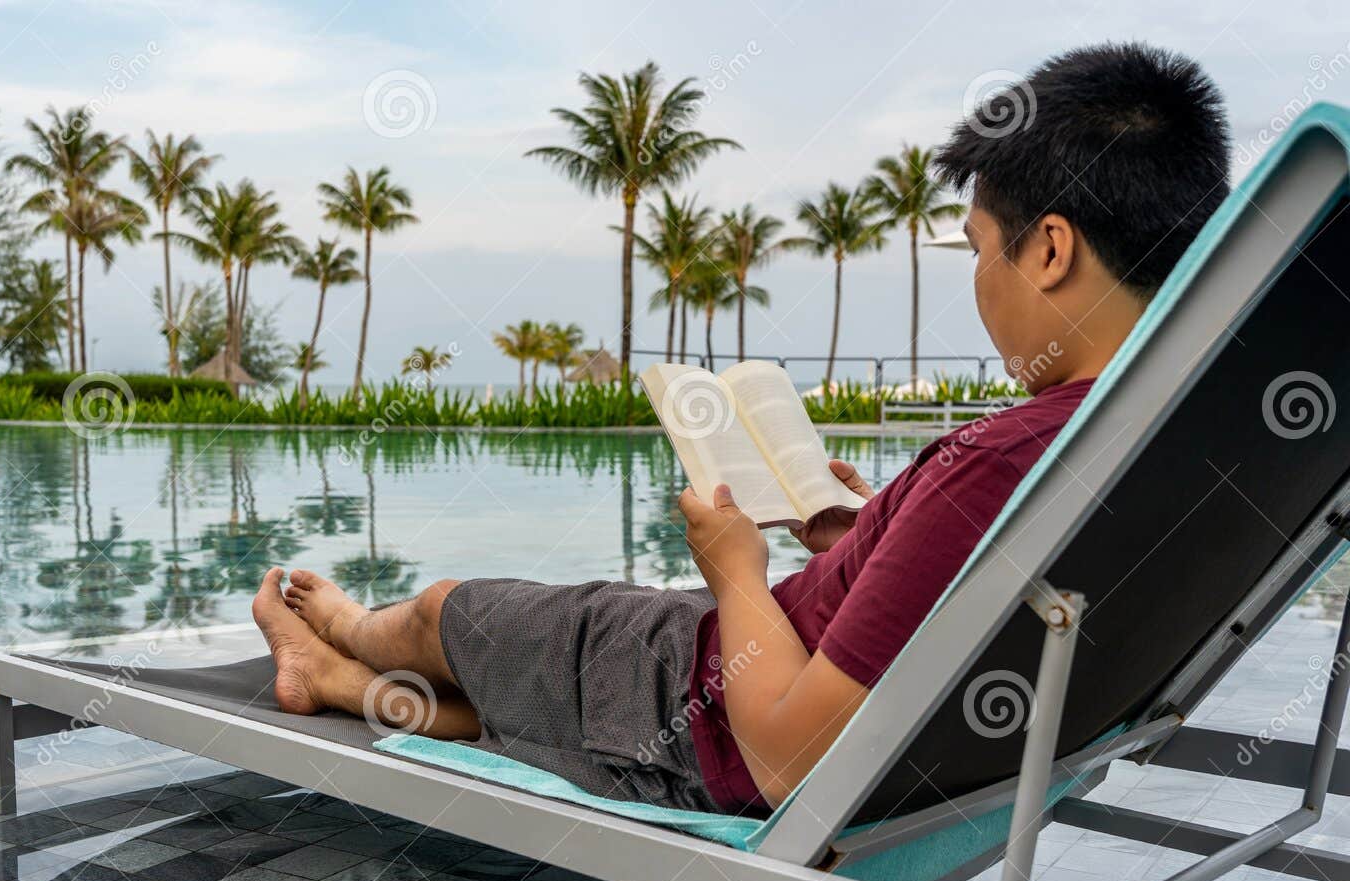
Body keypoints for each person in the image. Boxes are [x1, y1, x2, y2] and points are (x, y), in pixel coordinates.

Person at [251, 42, 1232, 818]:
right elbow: (967, 597)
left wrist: (734, 570)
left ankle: (336, 628)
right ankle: (334, 679)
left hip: (708, 712)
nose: (976, 281)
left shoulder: (999, 458)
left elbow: (788, 755)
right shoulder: (1176, 441)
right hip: (825, 717)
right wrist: (866, 541)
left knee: (443, 611)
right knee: (520, 693)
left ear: (1050, 248)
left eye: (979, 249)